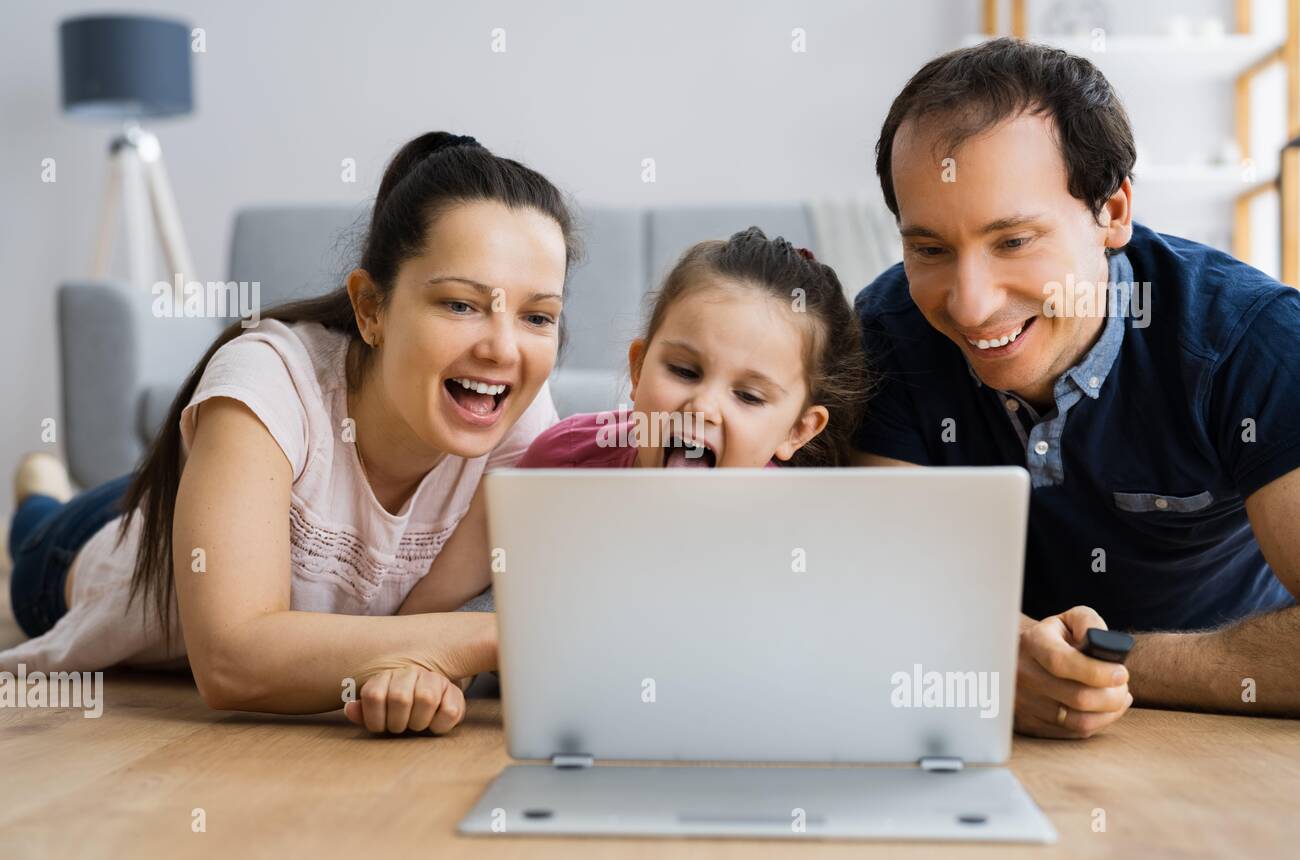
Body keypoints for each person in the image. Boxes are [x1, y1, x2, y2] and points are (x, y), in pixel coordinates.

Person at [5, 132, 578, 737]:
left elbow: (413, 628)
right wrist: (496, 636)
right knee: (34, 537)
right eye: (460, 305)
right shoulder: (267, 378)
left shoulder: (523, 420)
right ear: (371, 309)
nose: (502, 349)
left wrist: (419, 673)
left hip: (235, 478)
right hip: (85, 548)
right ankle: (36, 497)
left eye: (537, 316)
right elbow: (232, 662)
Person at [853, 38, 1300, 738]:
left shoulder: (1256, 340)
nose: (969, 307)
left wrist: (1099, 663)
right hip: (977, 730)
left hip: (1216, 736)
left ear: (1112, 212)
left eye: (1014, 241)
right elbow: (865, 588)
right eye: (930, 249)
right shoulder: (885, 335)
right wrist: (983, 662)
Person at [518, 227, 868, 470]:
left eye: (748, 396)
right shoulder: (562, 459)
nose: (703, 407)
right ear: (638, 369)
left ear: (797, 430)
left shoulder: (789, 527)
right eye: (685, 372)